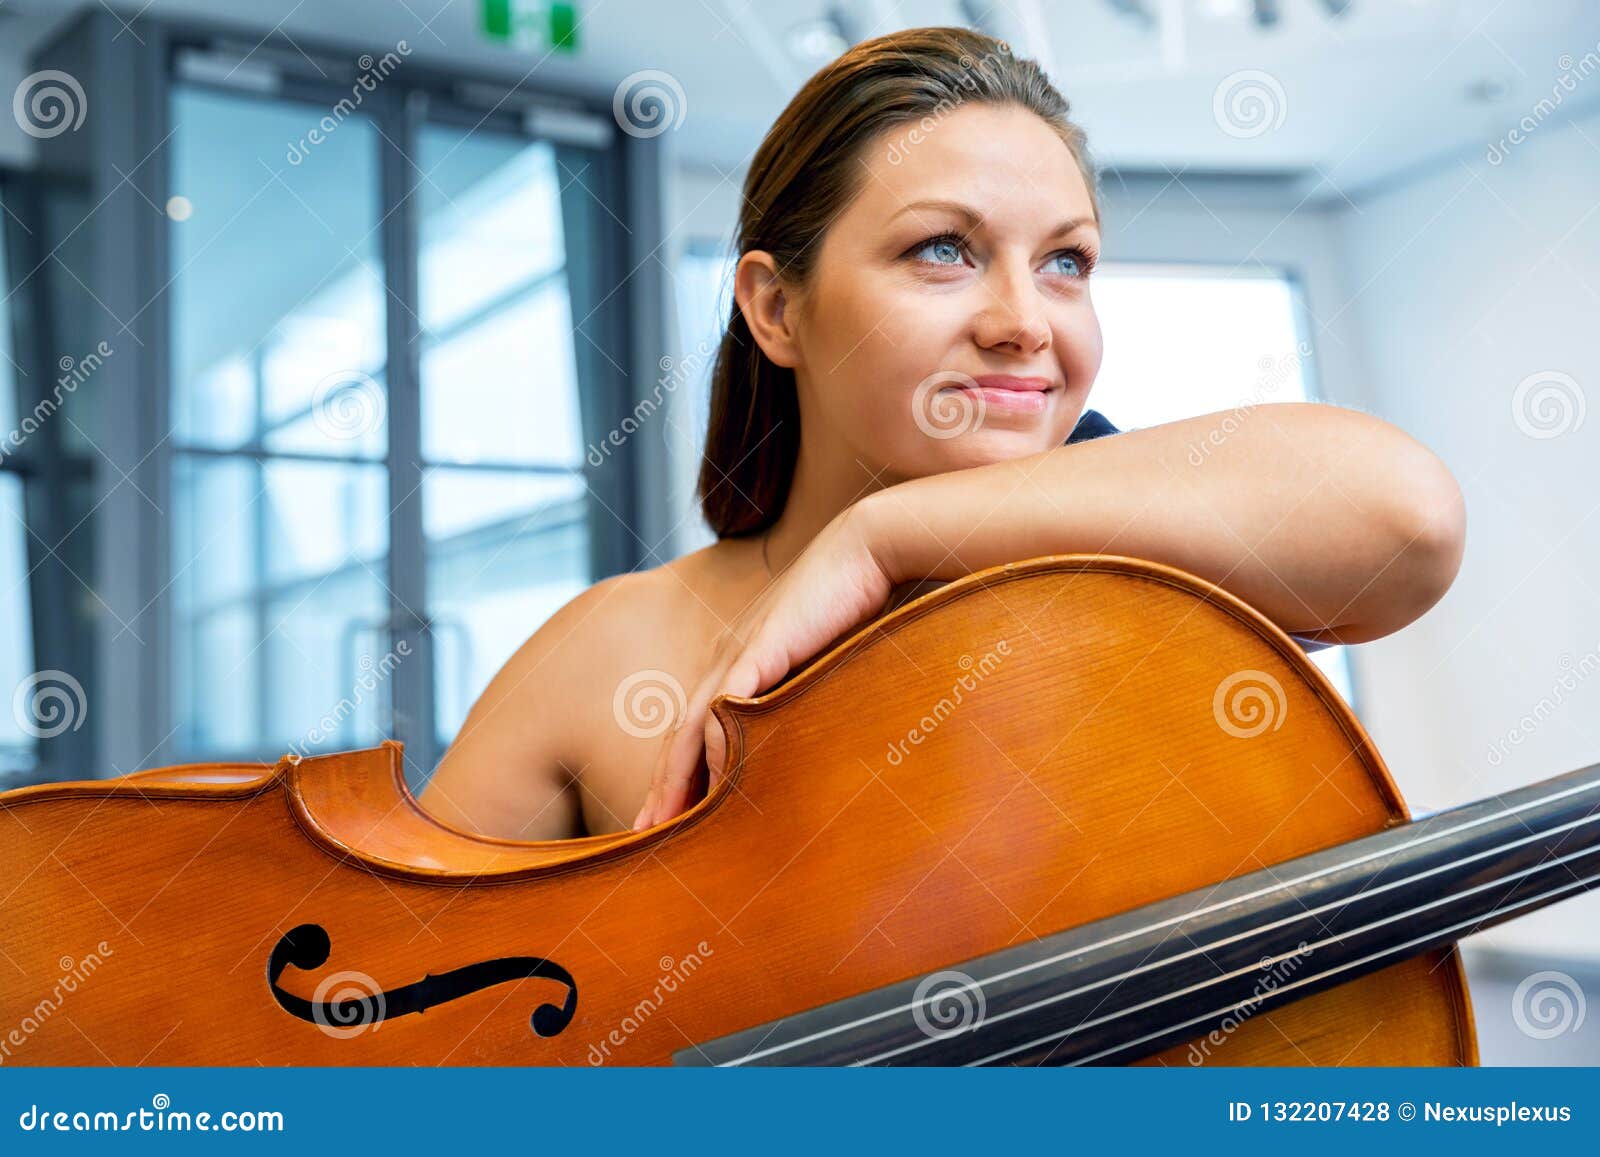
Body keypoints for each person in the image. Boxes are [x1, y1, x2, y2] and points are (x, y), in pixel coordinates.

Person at [418, 26, 1465, 841]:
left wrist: (887, 535)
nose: (1023, 320)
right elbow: (379, 1035)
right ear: (777, 309)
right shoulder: (610, 648)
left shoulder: (1140, 575)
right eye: (942, 250)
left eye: (1066, 261)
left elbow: (1404, 515)